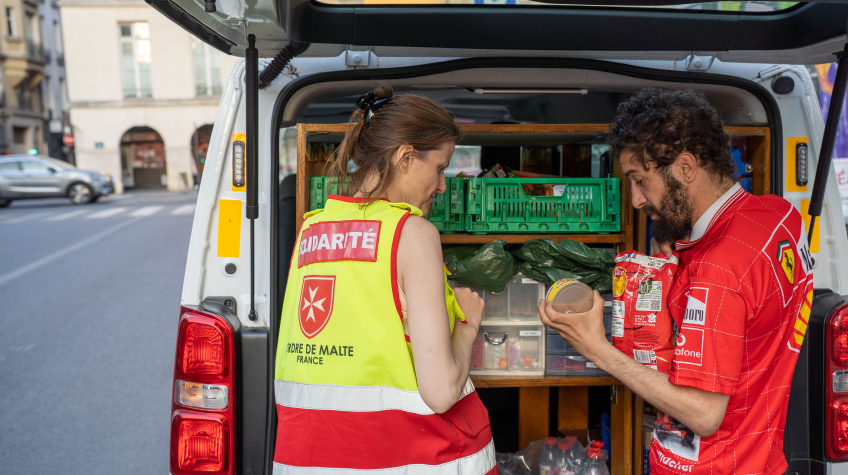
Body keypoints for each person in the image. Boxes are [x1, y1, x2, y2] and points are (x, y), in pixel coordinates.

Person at [539, 88, 813, 475]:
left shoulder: (717, 273)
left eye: (640, 180)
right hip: (761, 459)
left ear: (685, 168)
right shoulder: (779, 216)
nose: (636, 200)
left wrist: (597, 350)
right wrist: (683, 247)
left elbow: (703, 415)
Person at [273, 85, 497, 475]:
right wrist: (467, 326)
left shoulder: (311, 230)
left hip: (306, 460)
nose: (442, 185)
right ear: (405, 157)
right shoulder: (412, 233)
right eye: (439, 168)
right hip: (401, 459)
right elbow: (441, 392)